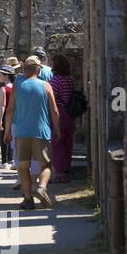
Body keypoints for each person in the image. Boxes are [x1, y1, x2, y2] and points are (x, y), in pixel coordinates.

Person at [6, 54, 60, 209]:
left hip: (22, 132)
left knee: (23, 167)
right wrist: (57, 129)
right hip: (41, 132)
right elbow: (54, 110)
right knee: (46, 165)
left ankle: (28, 199)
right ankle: (42, 187)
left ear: (25, 69)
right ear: (39, 69)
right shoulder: (46, 86)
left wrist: (7, 131)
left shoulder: (17, 85)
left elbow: (10, 110)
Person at [49, 54, 77, 183]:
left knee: (57, 142)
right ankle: (65, 171)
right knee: (67, 143)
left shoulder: (55, 80)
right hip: (70, 113)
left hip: (59, 112)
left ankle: (58, 173)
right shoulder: (70, 79)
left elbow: (51, 98)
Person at [0, 65, 16, 173]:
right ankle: (12, 159)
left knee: (4, 138)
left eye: (1, 74)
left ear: (6, 76)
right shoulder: (15, 87)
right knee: (13, 137)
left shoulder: (3, 88)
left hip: (6, 116)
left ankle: (4, 162)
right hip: (15, 115)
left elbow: (2, 105)